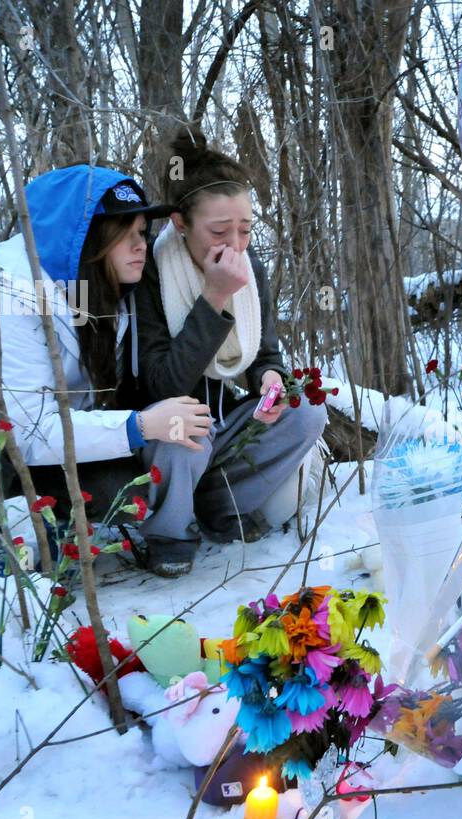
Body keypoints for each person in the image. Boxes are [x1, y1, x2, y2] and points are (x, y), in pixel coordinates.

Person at [0, 165, 212, 579]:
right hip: (3, 448)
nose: (140, 245)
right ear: (85, 240)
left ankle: (58, 524)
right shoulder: (5, 296)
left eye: (142, 232)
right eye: (124, 234)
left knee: (136, 491)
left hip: (62, 442)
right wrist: (142, 425)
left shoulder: (106, 287)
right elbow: (30, 430)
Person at [131, 129, 327, 577]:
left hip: (225, 425)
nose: (235, 244)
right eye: (219, 231)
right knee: (185, 424)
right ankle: (169, 532)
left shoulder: (249, 265)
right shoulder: (152, 272)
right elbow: (163, 382)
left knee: (307, 414)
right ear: (181, 225)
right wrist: (213, 299)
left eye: (245, 229)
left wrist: (270, 379)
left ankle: (223, 507)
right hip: (166, 431)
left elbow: (264, 352)